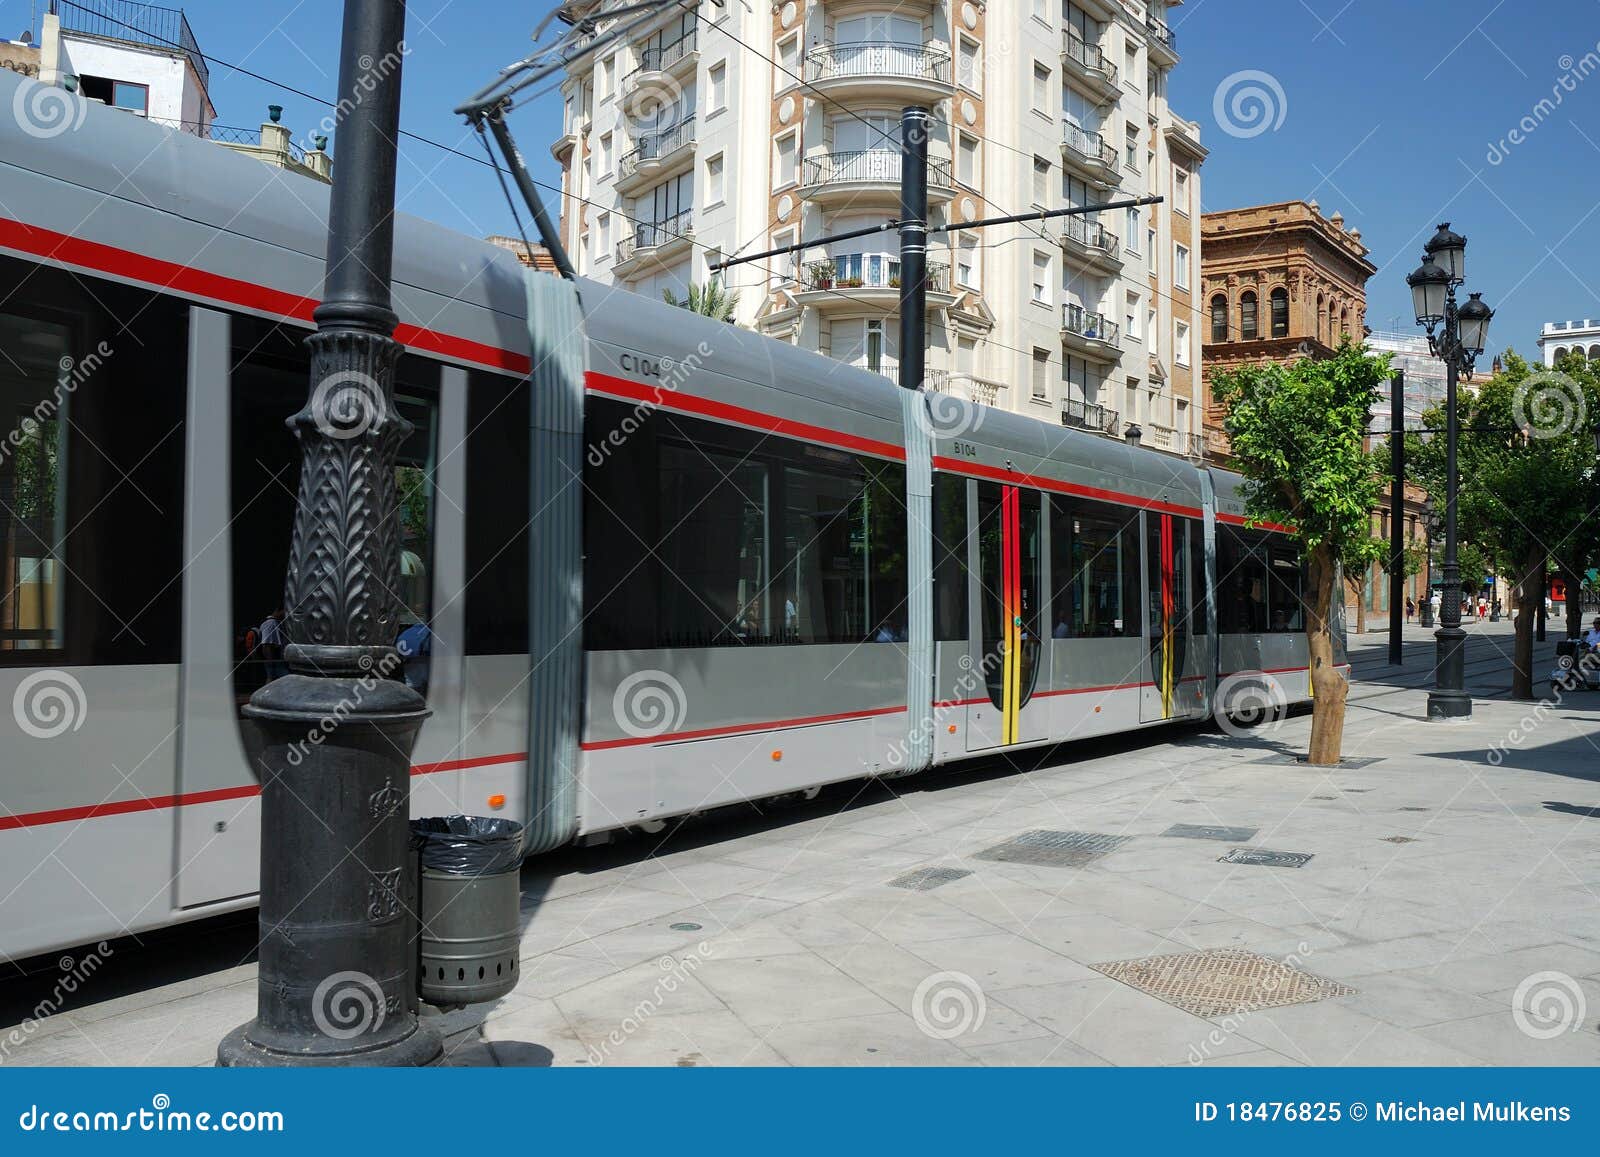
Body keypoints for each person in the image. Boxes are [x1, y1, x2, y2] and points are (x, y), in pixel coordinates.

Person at [257, 608, 287, 682]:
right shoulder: (271, 623)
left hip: (275, 658)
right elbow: (266, 644)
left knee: (273, 680)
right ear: (277, 610)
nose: (286, 613)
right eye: (284, 611)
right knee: (276, 679)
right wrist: (270, 661)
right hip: (274, 658)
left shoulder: (274, 622)